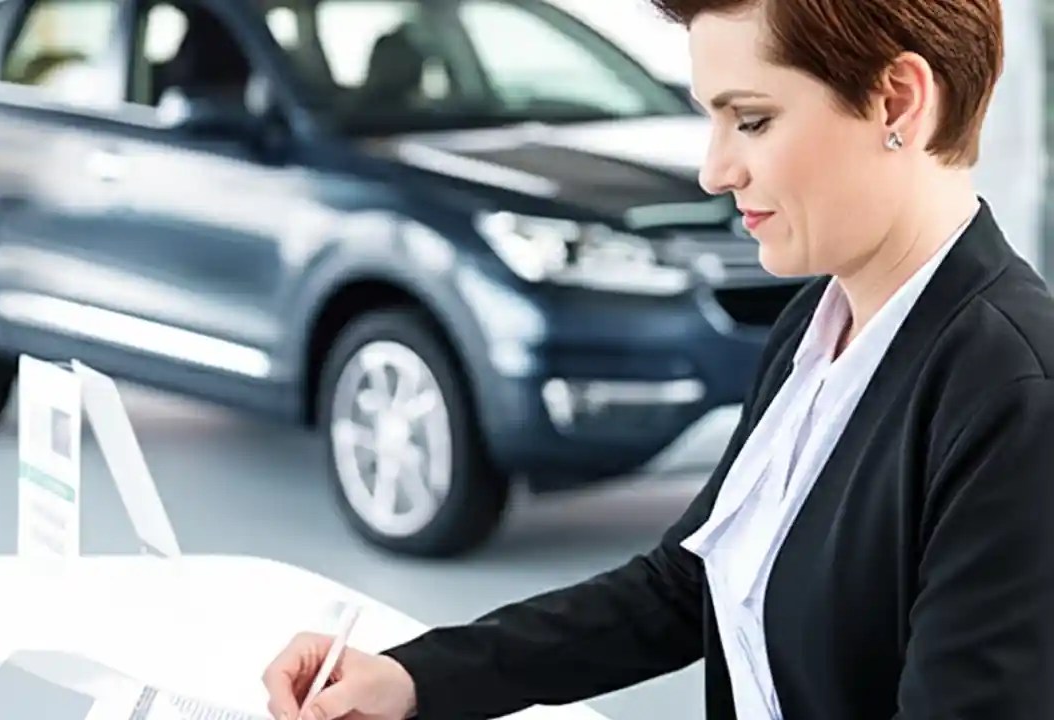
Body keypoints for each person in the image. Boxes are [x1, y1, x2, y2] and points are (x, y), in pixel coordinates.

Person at [262, 0, 1054, 717]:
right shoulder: (815, 327)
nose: (715, 170)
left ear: (898, 102)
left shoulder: (1015, 398)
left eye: (750, 120)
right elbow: (684, 584)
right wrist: (416, 679)